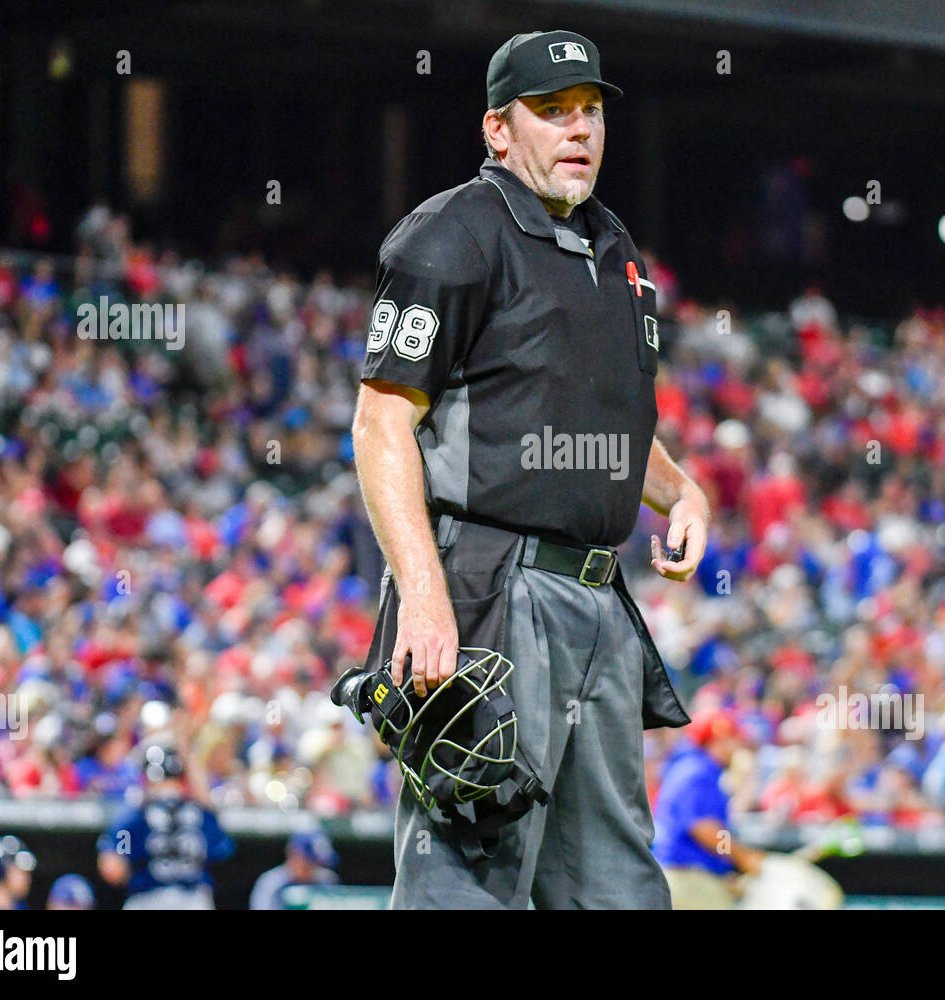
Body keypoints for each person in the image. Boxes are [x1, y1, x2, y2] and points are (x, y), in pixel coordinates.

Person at [353, 28, 707, 909]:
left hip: (597, 600)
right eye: (551, 111)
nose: (577, 127)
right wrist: (425, 598)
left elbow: (609, 422)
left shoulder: (614, 249)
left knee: (615, 889)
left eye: (588, 110)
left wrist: (681, 490)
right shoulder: (451, 236)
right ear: (498, 130)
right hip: (490, 591)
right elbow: (380, 424)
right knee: (468, 872)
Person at [96, 744, 235, 909]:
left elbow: (113, 867)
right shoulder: (202, 814)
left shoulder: (135, 817)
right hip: (194, 901)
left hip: (149, 899)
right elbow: (222, 851)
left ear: (145, 777)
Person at [652, 709, 765, 907]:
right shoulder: (698, 772)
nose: (738, 747)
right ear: (719, 740)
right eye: (734, 739)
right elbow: (705, 829)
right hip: (688, 879)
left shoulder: (694, 767)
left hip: (687, 878)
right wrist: (743, 857)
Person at [249, 830, 340, 910]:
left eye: (319, 864)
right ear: (294, 856)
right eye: (310, 863)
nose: (315, 868)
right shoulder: (272, 883)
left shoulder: (326, 881)